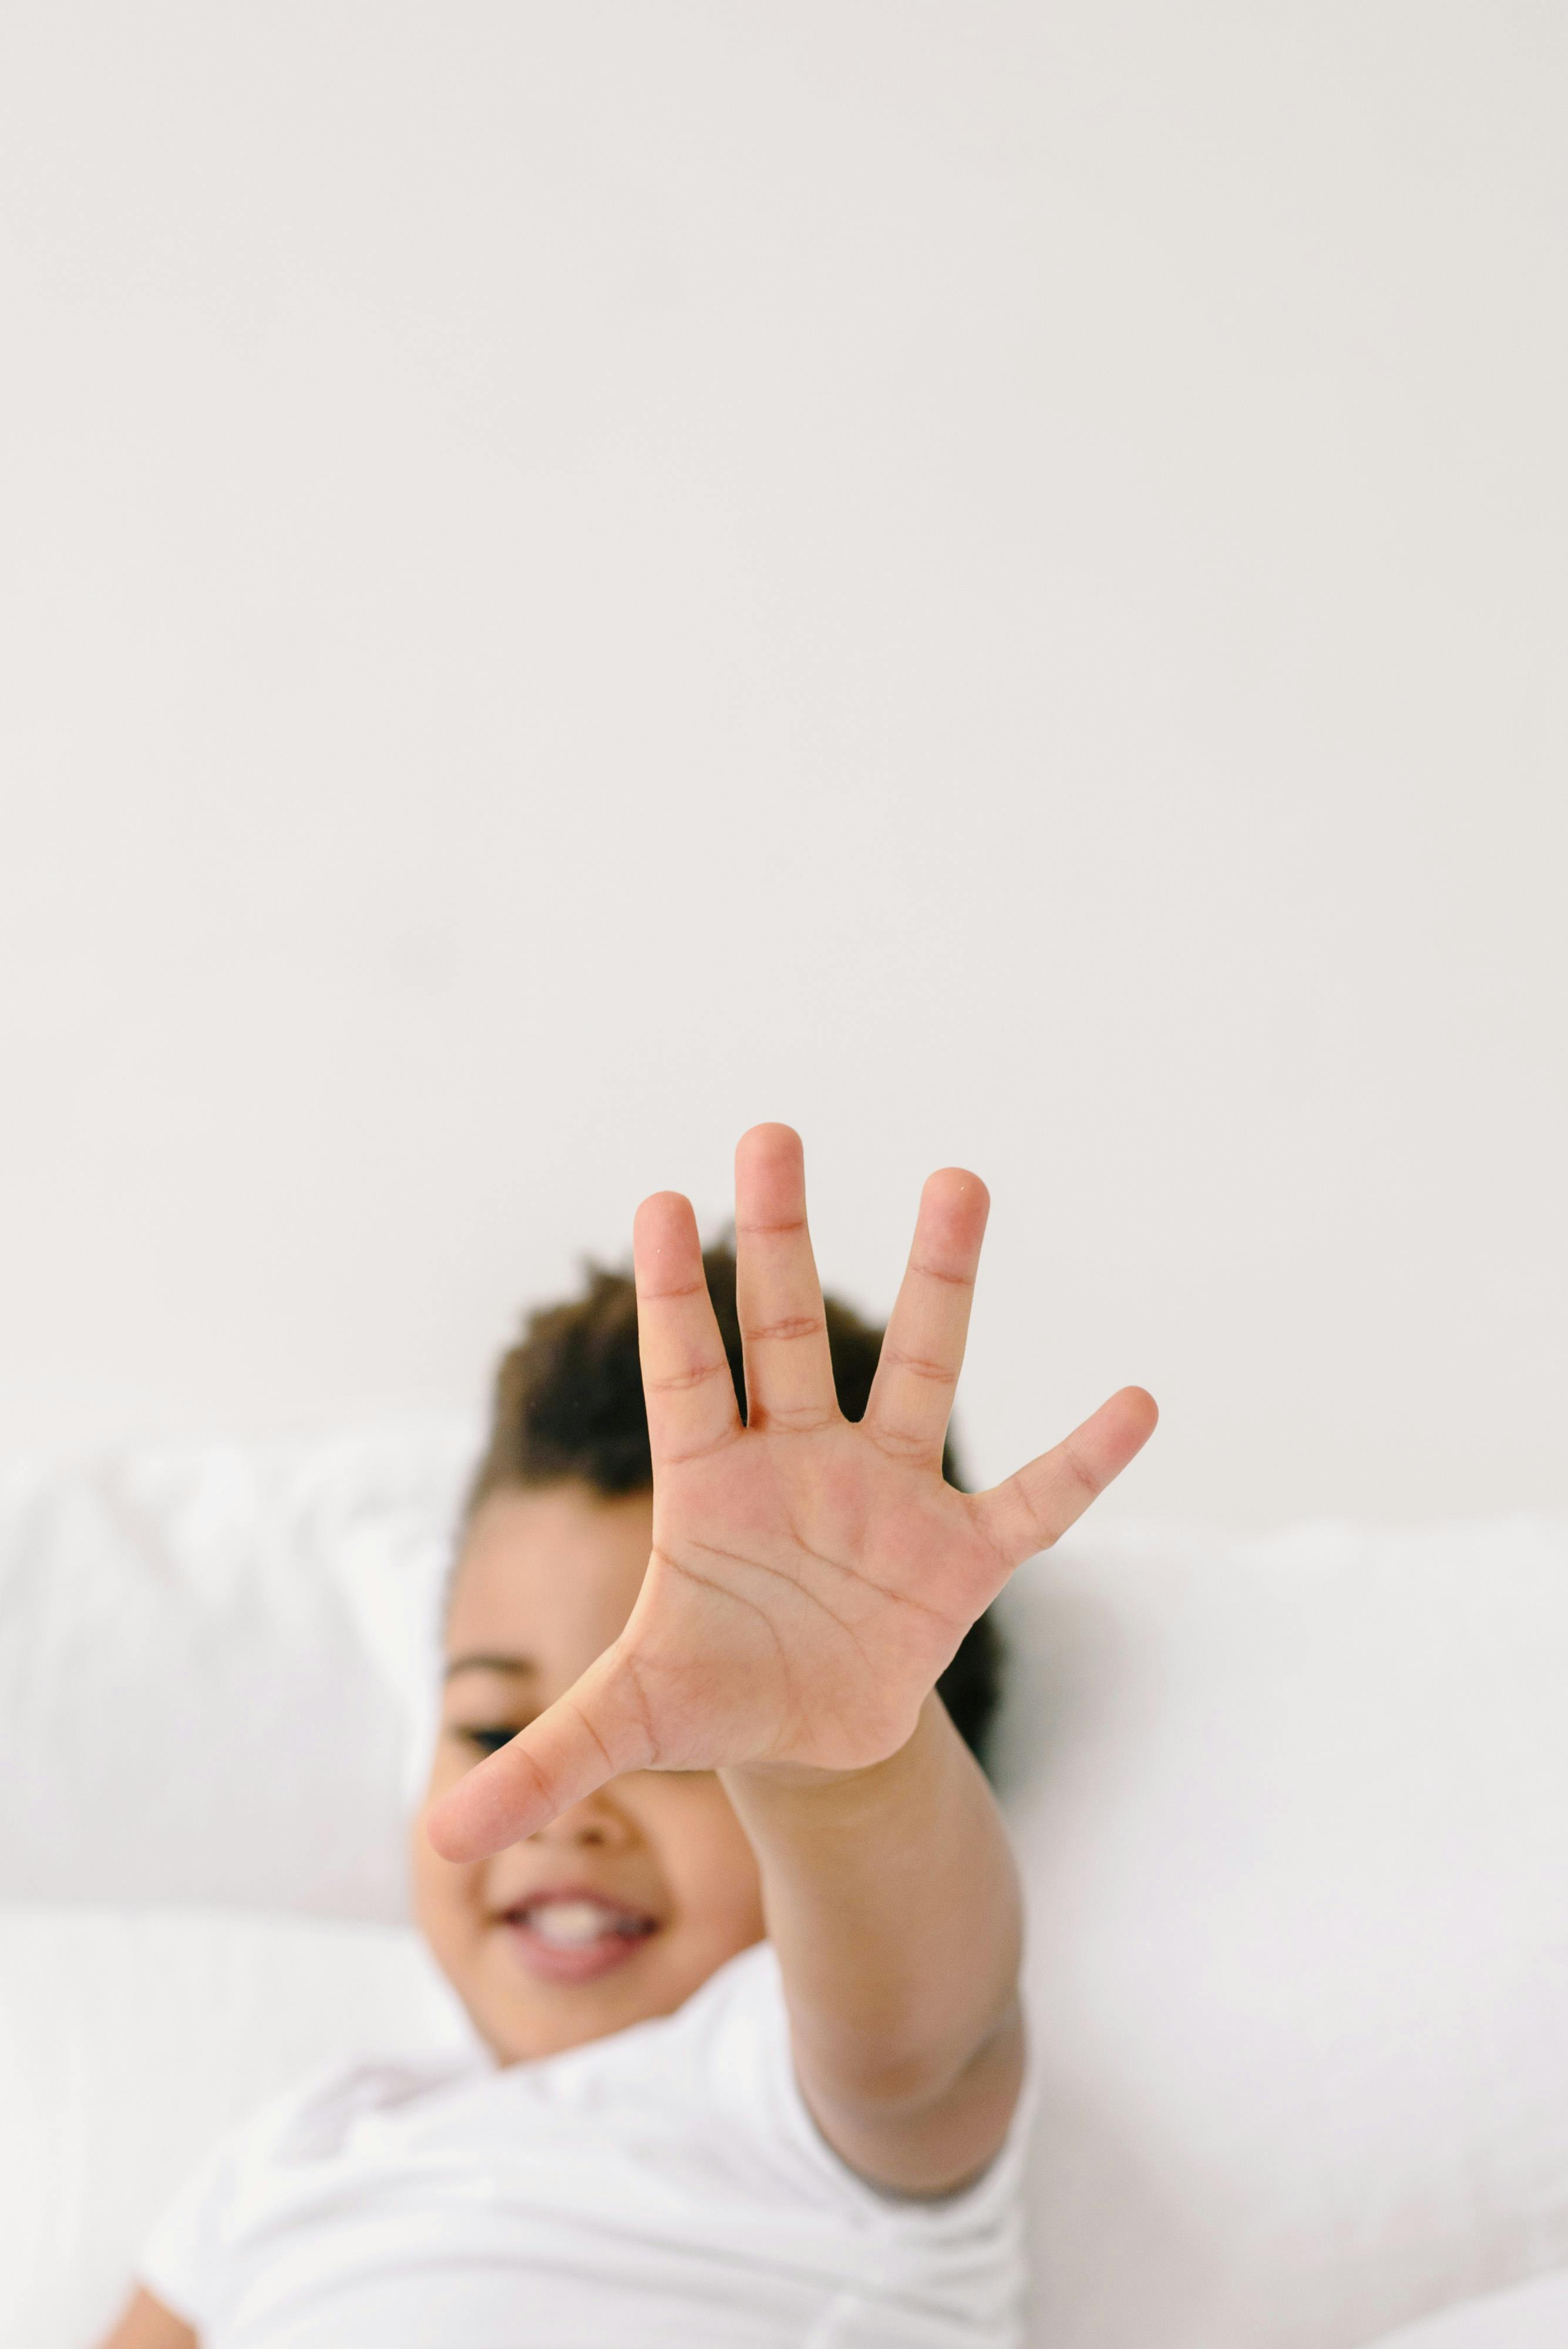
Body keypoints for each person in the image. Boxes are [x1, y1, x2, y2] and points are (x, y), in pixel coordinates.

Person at [99, 1125, 1156, 2347]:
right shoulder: (297, 2156)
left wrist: (843, 1761)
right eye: (496, 1722)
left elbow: (922, 2019)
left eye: (680, 1743)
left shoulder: (810, 2099)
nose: (567, 1802)